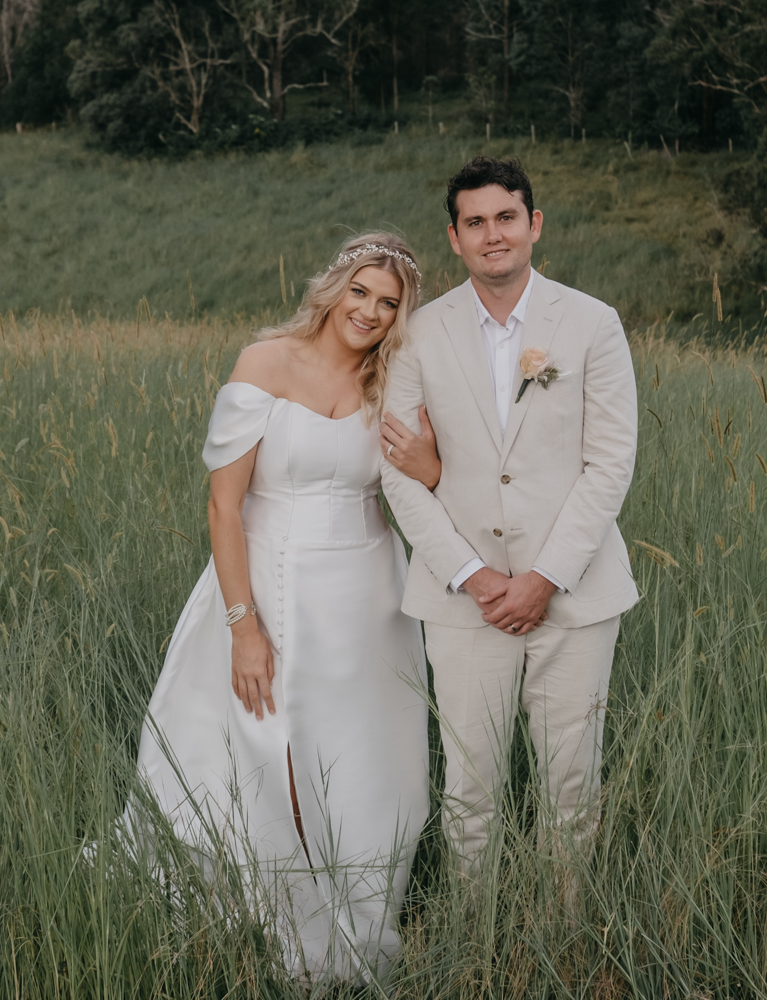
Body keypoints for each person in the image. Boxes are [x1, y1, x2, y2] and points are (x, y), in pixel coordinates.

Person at [130, 233, 440, 986]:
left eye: (388, 302)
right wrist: (244, 627)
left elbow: (427, 482)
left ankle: (357, 917)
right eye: (360, 291)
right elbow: (223, 505)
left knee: (370, 760)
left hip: (368, 598)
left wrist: (427, 455)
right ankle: (270, 917)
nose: (369, 311)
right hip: (265, 578)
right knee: (271, 749)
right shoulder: (265, 361)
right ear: (334, 286)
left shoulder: (395, 379)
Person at [377, 157, 640, 880]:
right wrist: (474, 574)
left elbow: (610, 462)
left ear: (534, 225)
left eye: (506, 217)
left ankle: (566, 937)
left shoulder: (591, 324)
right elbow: (397, 473)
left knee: (572, 788)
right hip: (465, 603)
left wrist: (545, 576)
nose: (493, 234)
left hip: (575, 597)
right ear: (455, 238)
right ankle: (476, 951)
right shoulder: (418, 335)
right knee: (469, 790)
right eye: (475, 222)